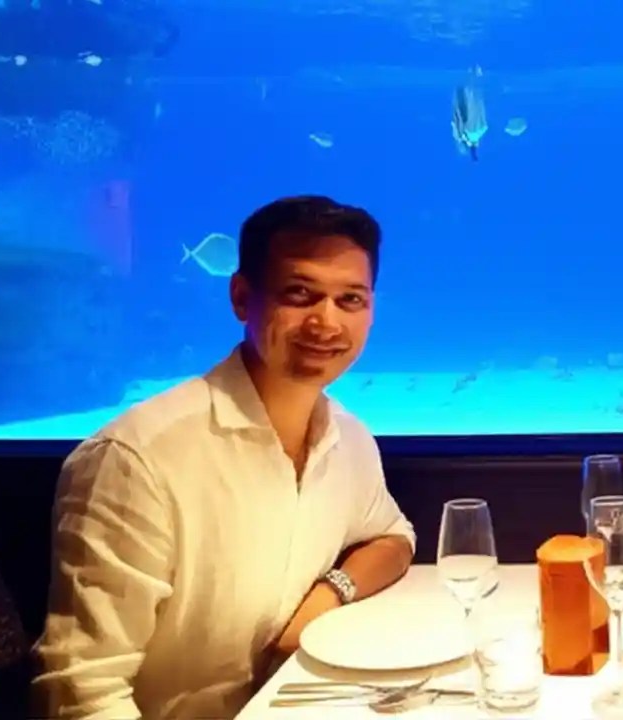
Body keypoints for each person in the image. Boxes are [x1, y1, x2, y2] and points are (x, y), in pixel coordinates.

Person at [31, 195, 416, 720]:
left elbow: (393, 538)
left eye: (351, 299)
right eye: (300, 294)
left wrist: (325, 598)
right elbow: (81, 693)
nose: (326, 322)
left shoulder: (347, 438)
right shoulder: (136, 460)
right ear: (241, 296)